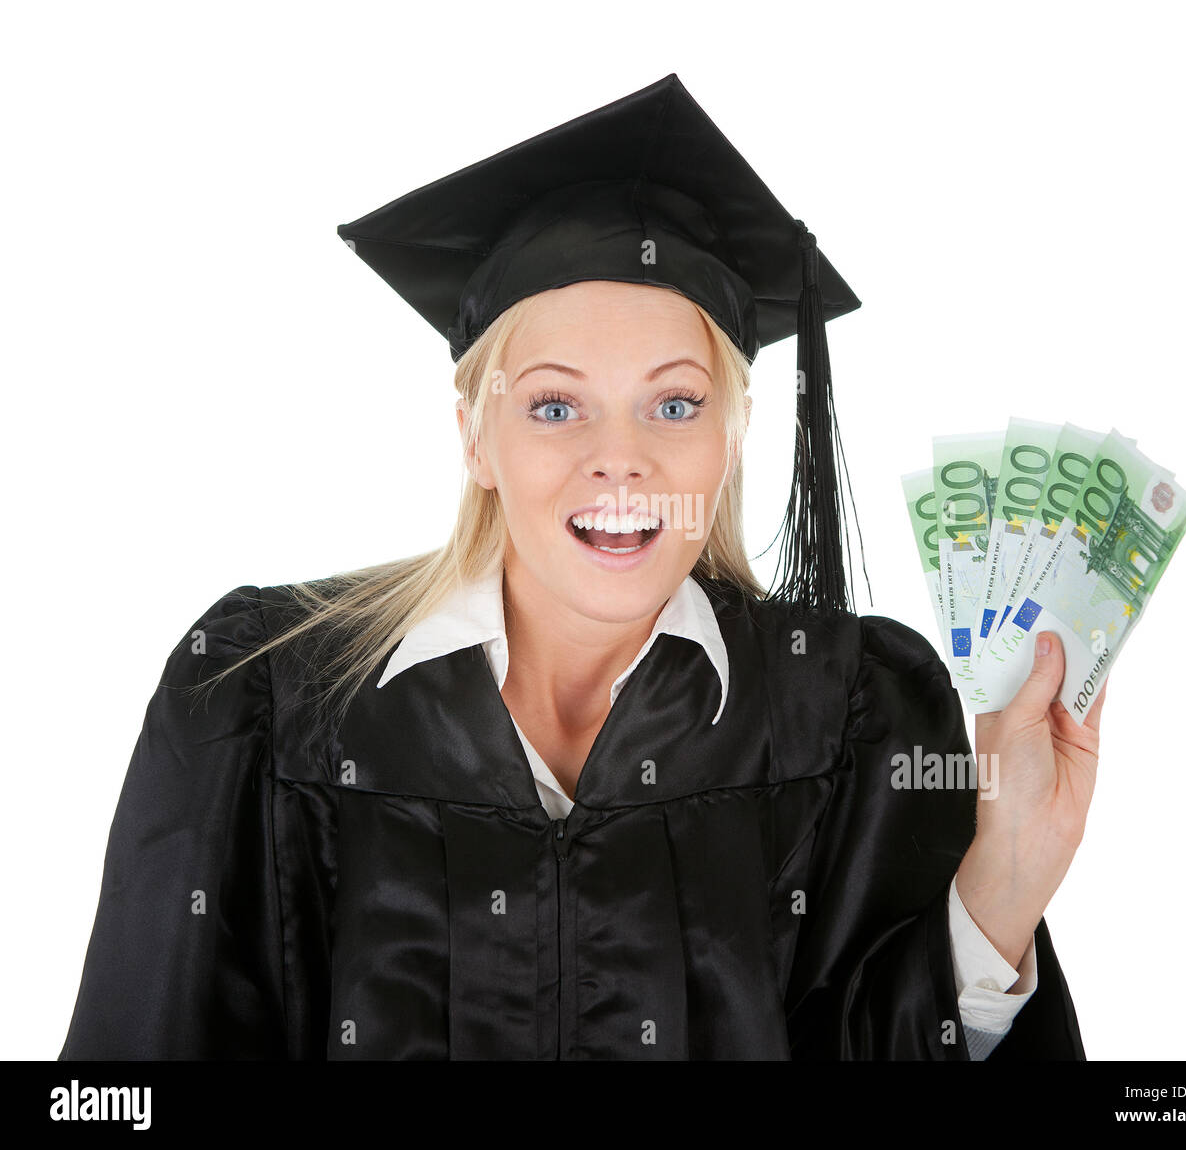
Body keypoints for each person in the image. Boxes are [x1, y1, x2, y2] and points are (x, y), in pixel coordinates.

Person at [56, 74, 1102, 1060]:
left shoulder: (852, 707)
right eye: (554, 405)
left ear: (731, 436)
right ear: (474, 434)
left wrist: (1002, 888)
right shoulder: (265, 694)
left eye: (675, 403)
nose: (621, 458)